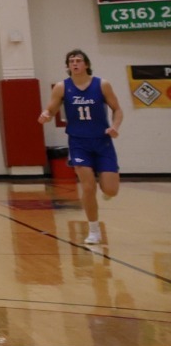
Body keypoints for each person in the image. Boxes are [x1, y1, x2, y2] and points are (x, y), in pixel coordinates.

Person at [40, 48, 125, 245]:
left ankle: (107, 191)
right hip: (78, 142)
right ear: (68, 66)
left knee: (111, 190)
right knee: (88, 187)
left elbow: (117, 109)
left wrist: (115, 126)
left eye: (78, 60)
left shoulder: (101, 84)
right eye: (71, 61)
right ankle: (94, 230)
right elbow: (51, 108)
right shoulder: (62, 87)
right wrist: (46, 114)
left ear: (86, 64)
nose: (75, 63)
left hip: (102, 141)